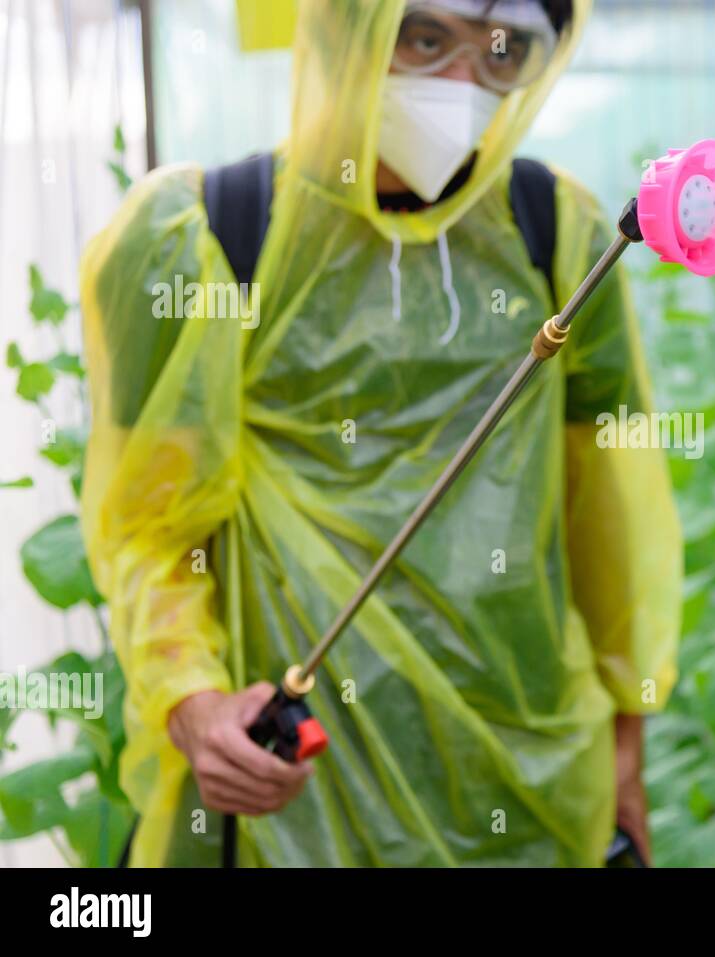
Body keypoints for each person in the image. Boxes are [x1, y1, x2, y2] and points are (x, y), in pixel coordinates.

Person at [80, 0, 682, 866]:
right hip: (292, 803)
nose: (461, 86)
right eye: (426, 37)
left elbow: (612, 520)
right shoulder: (204, 237)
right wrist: (196, 702)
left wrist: (626, 746)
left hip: (526, 779)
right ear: (342, 25)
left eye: (504, 54)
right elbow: (151, 527)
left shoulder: (561, 236)